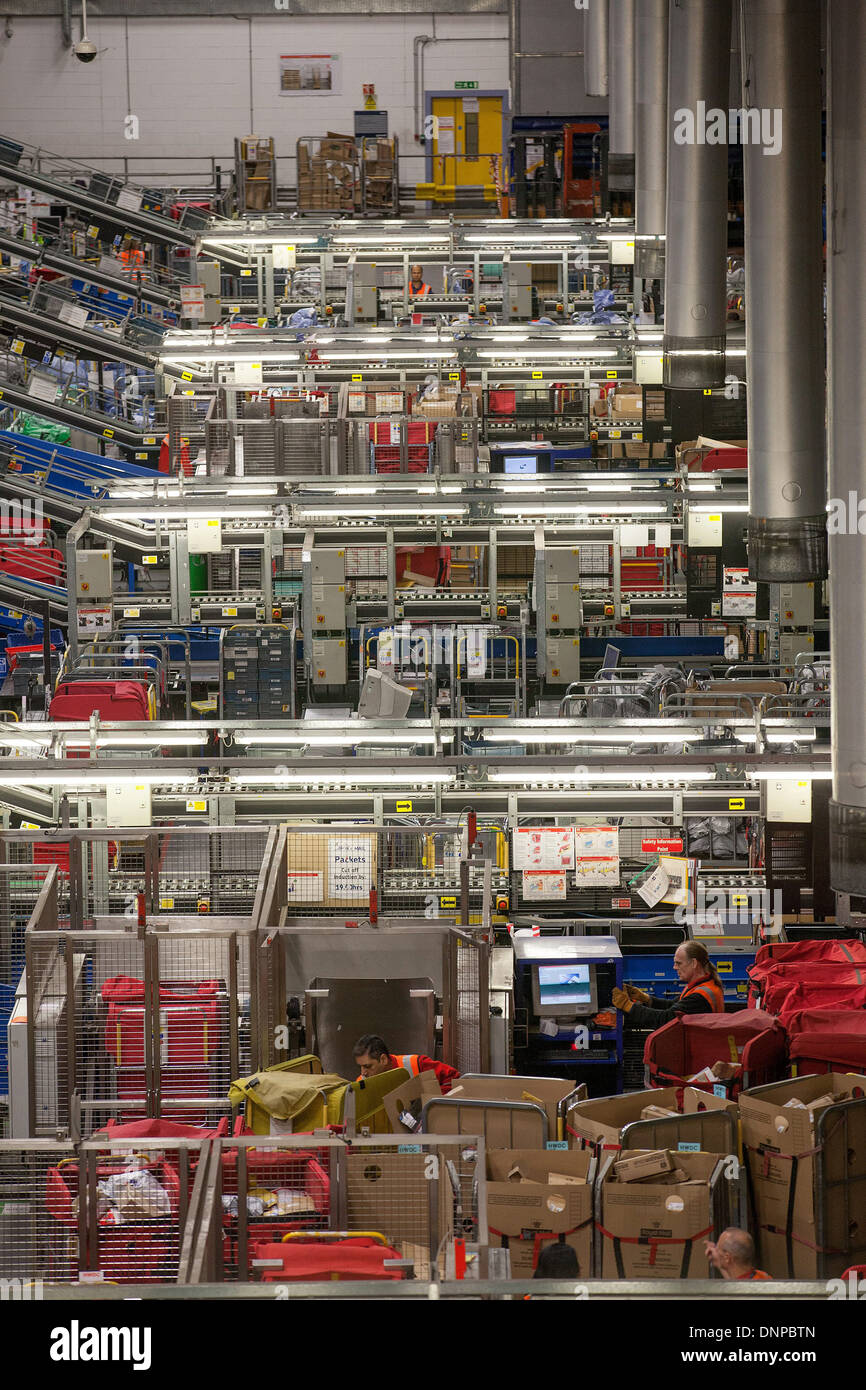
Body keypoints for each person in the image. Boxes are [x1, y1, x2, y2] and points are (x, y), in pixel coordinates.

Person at [611, 940, 725, 1027]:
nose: (674, 967)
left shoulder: (699, 996)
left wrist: (628, 1005)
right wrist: (646, 998)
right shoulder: (702, 986)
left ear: (694, 963)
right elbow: (672, 1006)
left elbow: (665, 1019)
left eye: (678, 963)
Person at [352, 1033, 459, 1092]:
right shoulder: (361, 1083)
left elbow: (454, 1078)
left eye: (367, 1066)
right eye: (360, 1067)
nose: (363, 1072)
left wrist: (431, 1103)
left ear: (383, 1059)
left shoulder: (417, 1064)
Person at [704, 1228, 771, 1281]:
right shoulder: (762, 1276)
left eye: (717, 1248)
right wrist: (719, 1263)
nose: (715, 1251)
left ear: (727, 1257)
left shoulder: (747, 1292)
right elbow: (734, 1283)